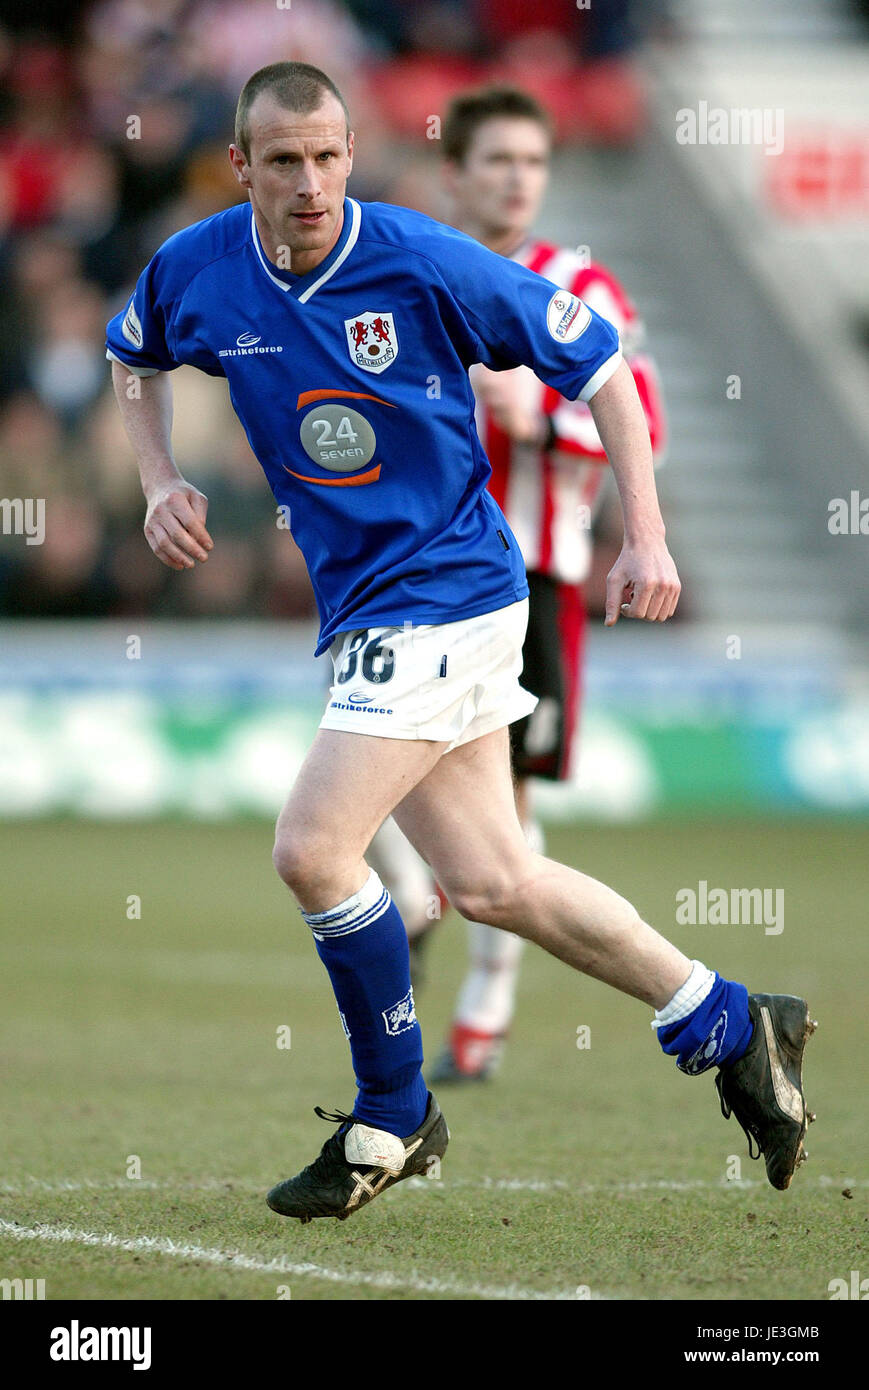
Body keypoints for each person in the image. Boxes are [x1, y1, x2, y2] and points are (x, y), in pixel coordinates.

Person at [106, 61, 815, 1222]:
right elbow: (131, 356)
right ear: (239, 165)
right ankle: (730, 1018)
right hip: (378, 604)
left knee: (311, 847)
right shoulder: (195, 271)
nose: (309, 181)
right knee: (493, 879)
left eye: (328, 155)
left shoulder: (419, 259)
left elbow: (603, 372)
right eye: (281, 160)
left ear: (350, 154)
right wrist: (157, 479)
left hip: (447, 593)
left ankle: (393, 1113)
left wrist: (642, 534)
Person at [379, 86, 670, 1083]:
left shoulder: (580, 283)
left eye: (532, 162)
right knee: (374, 785)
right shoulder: (404, 273)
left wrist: (533, 412)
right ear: (452, 172)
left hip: (530, 578)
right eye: (496, 159)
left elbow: (646, 425)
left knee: (502, 800)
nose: (516, 178)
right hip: (407, 577)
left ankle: (483, 1012)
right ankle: (410, 907)